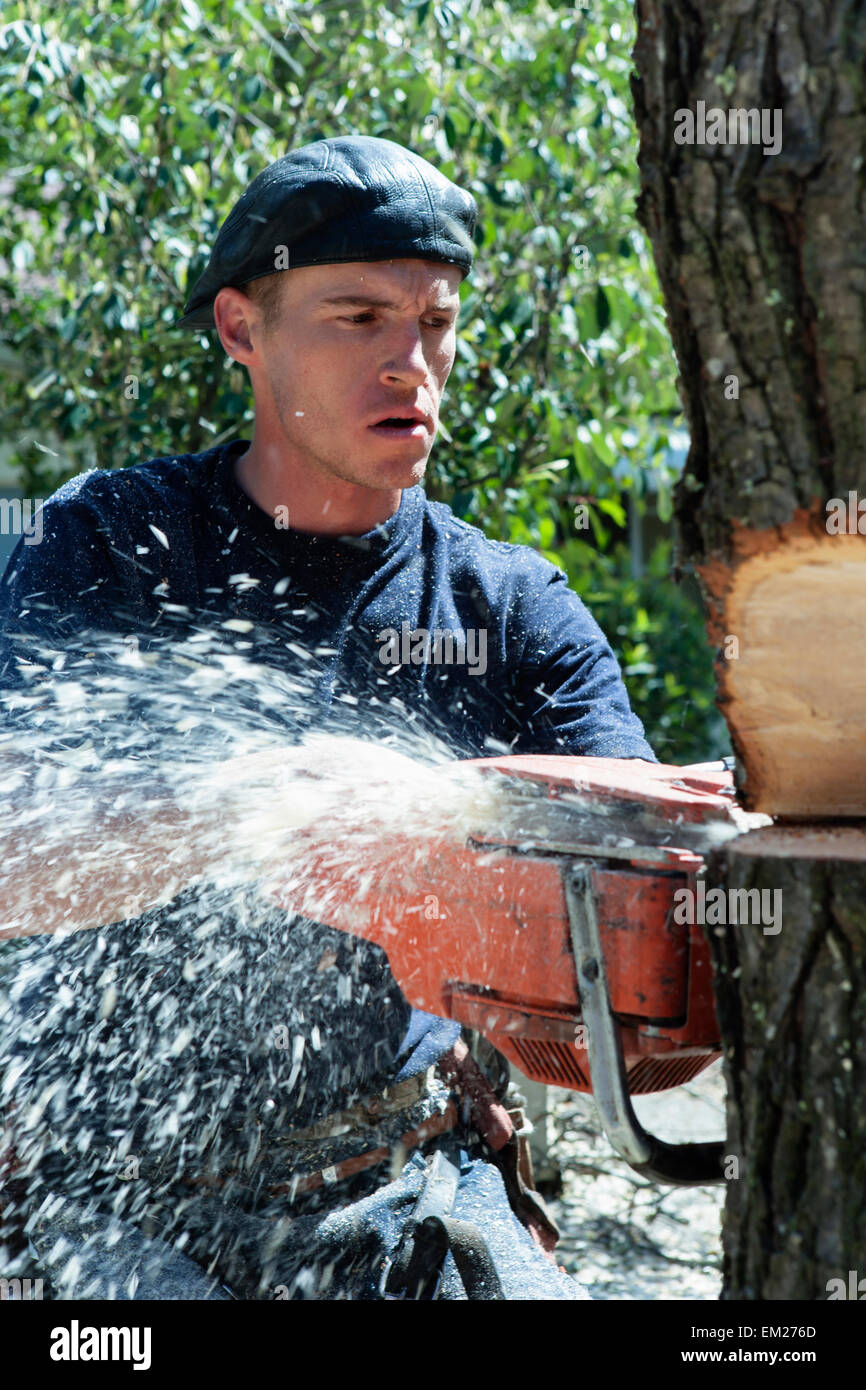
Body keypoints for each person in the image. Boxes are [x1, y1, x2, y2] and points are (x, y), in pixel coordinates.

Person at [0, 136, 656, 1300]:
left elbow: (644, 1011)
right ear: (241, 331)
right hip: (105, 1200)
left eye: (434, 322)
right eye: (357, 316)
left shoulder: (509, 608)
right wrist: (248, 813)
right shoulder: (104, 545)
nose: (411, 362)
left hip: (408, 1178)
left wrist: (503, 915)